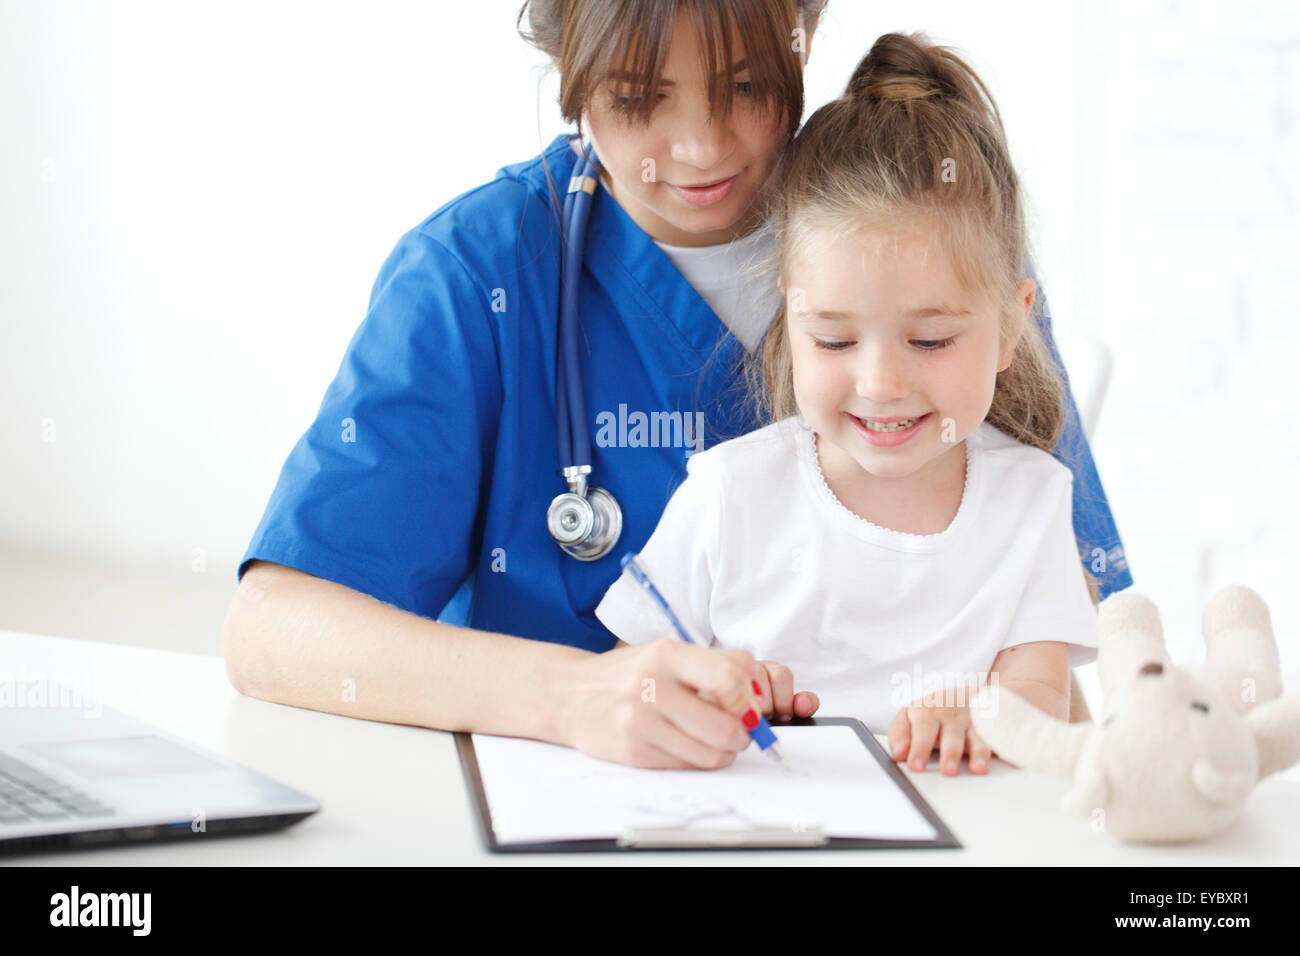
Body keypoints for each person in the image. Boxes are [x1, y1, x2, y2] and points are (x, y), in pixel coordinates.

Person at [224, 2, 1131, 773]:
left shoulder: (933, 240)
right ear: (568, 69)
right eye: (635, 94)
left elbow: (1061, 667)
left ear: (802, 29)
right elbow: (272, 629)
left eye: (746, 84)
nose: (699, 148)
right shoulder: (478, 273)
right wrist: (574, 696)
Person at [595, 31, 1109, 777]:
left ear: (1011, 325)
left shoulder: (1032, 504)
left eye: (930, 341)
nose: (880, 384)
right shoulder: (731, 492)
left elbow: (1042, 700)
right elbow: (631, 684)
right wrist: (714, 695)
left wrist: (984, 716)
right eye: (835, 341)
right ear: (789, 319)